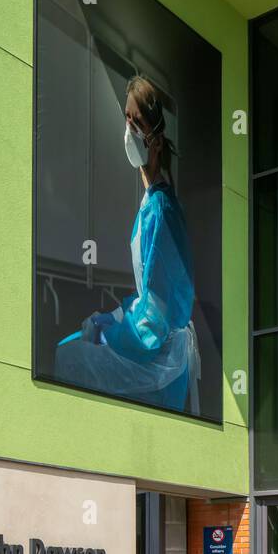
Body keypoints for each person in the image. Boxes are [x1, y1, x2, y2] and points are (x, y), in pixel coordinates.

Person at [55, 74, 199, 413]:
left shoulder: (160, 210)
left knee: (65, 357)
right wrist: (117, 315)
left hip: (159, 365)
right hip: (160, 351)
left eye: (138, 123)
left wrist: (112, 334)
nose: (129, 130)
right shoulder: (153, 201)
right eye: (127, 118)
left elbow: (156, 320)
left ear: (157, 140)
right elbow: (153, 294)